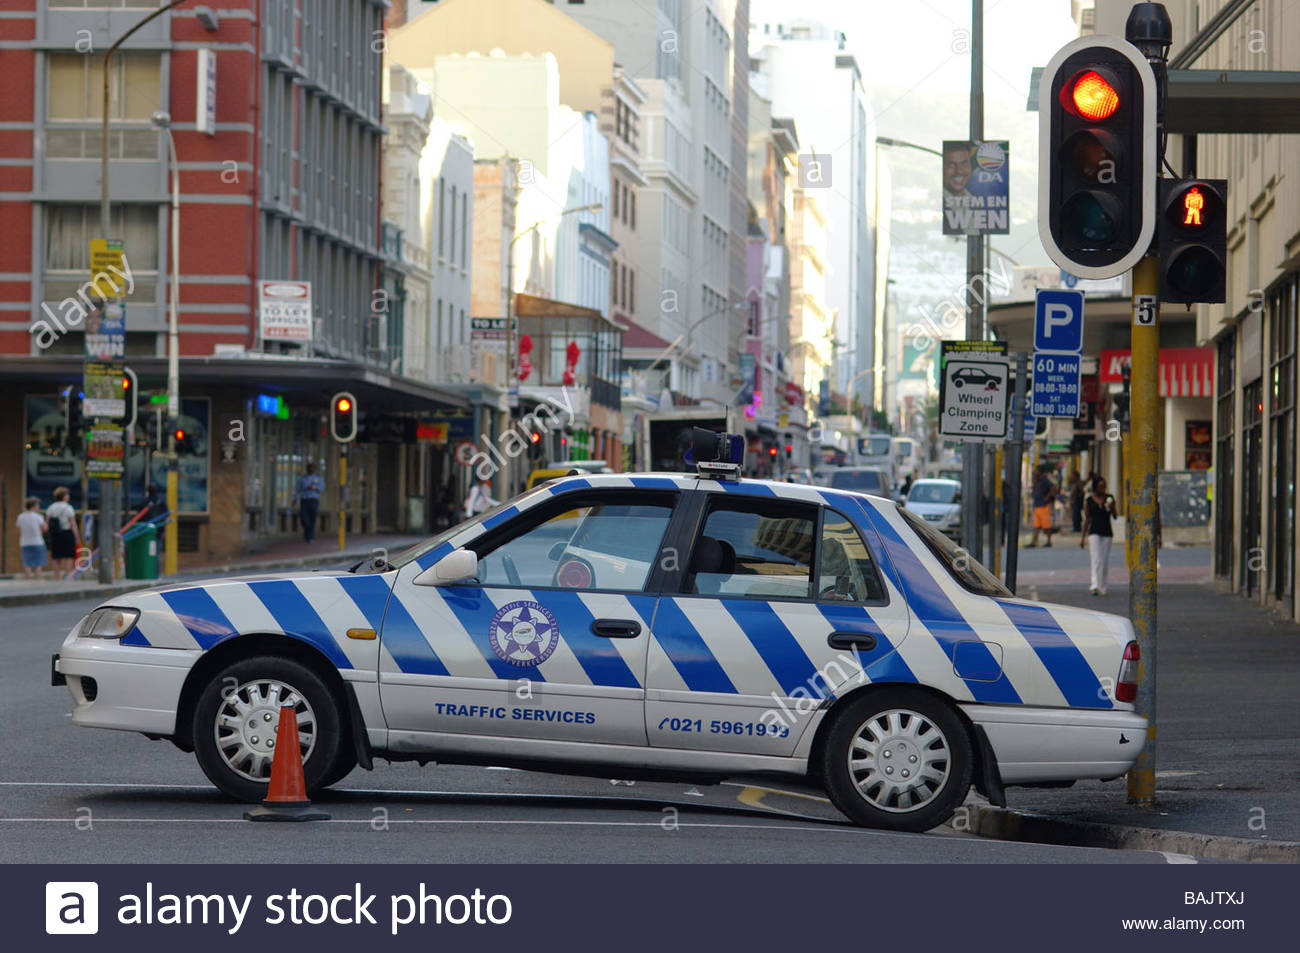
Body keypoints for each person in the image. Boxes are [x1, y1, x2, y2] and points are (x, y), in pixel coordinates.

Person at [1081, 477, 1118, 595]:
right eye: (1100, 486)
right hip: (1094, 532)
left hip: (1107, 532)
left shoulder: (1110, 498)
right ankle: (1095, 585)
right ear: (1096, 487)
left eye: (1104, 486)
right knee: (1096, 558)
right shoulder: (1089, 500)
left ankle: (1103, 585)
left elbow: (1115, 516)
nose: (1102, 488)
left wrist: (1111, 507)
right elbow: (1087, 519)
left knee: (1104, 560)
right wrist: (1082, 537)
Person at [46, 487, 80, 580]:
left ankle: (56, 577)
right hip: (67, 533)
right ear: (64, 496)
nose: (68, 496)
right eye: (67, 495)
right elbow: (73, 524)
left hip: (55, 534)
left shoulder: (51, 507)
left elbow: (48, 523)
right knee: (69, 555)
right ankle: (67, 576)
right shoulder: (68, 508)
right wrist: (77, 537)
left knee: (56, 556)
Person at [17, 496, 48, 580]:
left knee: (27, 563)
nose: (39, 507)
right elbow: (45, 528)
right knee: (38, 563)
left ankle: (28, 580)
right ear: (34, 506)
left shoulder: (20, 516)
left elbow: (20, 531)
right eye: (38, 505)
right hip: (37, 542)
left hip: (24, 542)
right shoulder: (38, 516)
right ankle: (36, 580)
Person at [1027, 465, 1057, 547]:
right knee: (1036, 525)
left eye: (1036, 470)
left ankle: (1049, 541)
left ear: (1040, 471)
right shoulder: (1037, 480)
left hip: (1043, 505)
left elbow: (1053, 488)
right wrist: (1034, 481)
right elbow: (1034, 490)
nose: (1035, 472)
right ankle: (1034, 542)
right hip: (1037, 505)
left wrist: (1047, 497)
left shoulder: (1045, 479)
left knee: (1046, 526)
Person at [294, 462, 324, 543]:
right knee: (304, 518)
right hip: (305, 500)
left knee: (312, 518)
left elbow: (321, 489)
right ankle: (307, 532)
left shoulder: (318, 478)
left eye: (313, 468)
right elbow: (297, 490)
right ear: (307, 469)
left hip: (313, 500)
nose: (312, 470)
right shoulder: (303, 479)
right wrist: (294, 499)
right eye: (310, 468)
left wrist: (314, 487)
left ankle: (310, 537)